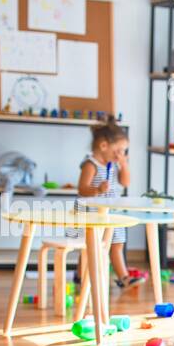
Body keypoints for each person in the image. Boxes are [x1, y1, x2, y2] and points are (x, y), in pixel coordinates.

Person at [73, 118, 141, 288]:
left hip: (111, 212)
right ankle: (81, 277)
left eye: (124, 151)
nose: (121, 154)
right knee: (90, 246)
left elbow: (125, 183)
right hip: (92, 213)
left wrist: (124, 164)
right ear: (104, 146)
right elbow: (82, 189)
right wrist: (97, 190)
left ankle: (123, 277)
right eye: (119, 150)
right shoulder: (91, 164)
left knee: (117, 243)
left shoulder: (113, 164)